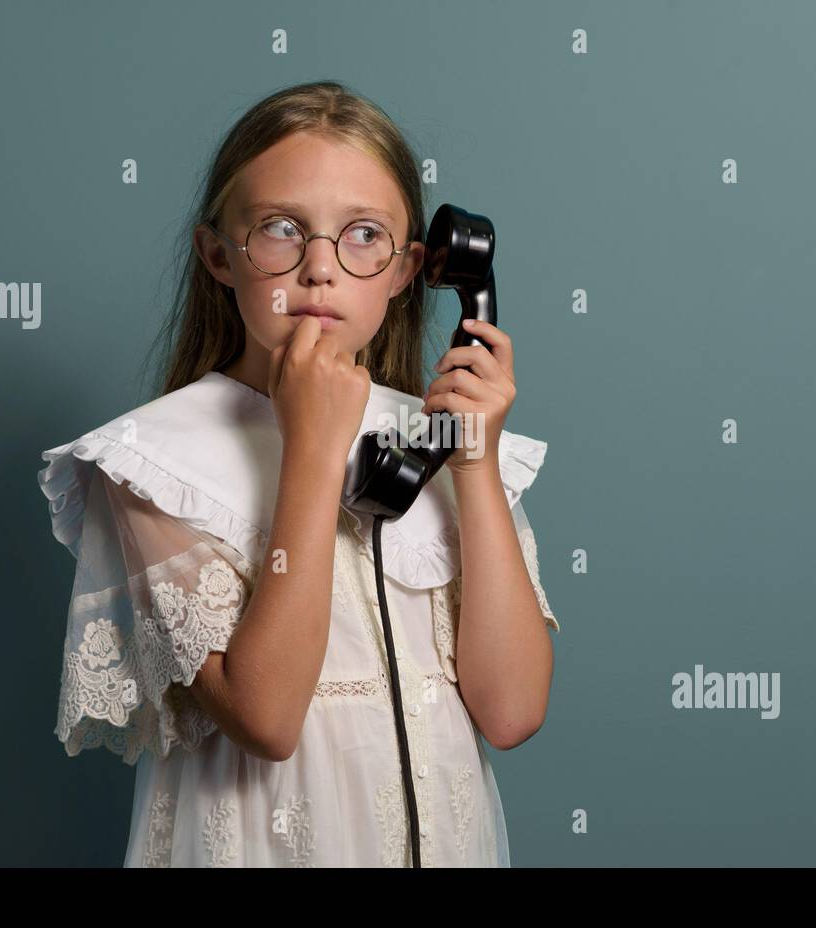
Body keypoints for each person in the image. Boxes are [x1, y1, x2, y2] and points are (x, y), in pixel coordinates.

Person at [37, 80, 559, 867]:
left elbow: (513, 708)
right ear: (219, 254)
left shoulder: (432, 444)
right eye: (281, 230)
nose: (321, 269)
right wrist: (313, 454)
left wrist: (473, 457)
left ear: (407, 269)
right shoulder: (148, 463)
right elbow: (267, 714)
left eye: (362, 236)